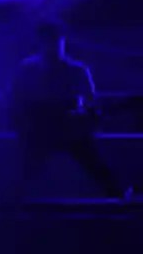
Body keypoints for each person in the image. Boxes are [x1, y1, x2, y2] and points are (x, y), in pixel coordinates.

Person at [9, 21, 132, 205]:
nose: (52, 46)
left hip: (65, 126)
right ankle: (10, 202)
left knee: (93, 164)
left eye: (54, 41)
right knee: (28, 169)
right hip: (46, 127)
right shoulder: (29, 69)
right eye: (49, 41)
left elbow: (90, 101)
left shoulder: (74, 70)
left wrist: (87, 117)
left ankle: (119, 195)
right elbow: (15, 97)